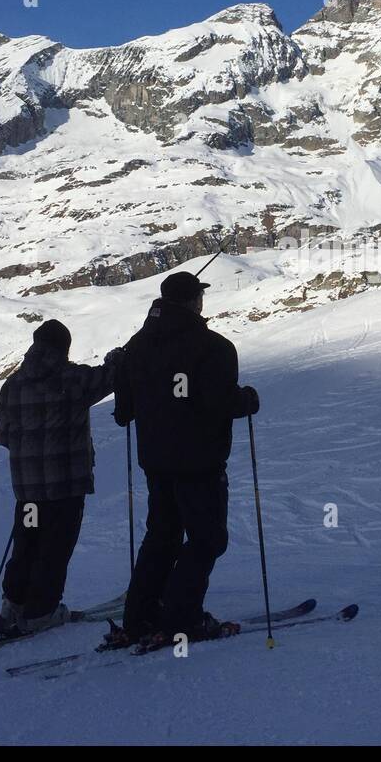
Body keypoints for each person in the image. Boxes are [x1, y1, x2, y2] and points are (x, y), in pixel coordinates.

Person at [113, 271, 260, 647]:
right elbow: (218, 402)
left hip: (155, 460)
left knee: (161, 536)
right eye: (199, 296)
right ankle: (181, 619)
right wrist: (247, 400)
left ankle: (140, 617)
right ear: (194, 301)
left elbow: (124, 410)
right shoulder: (213, 347)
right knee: (207, 538)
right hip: (199, 460)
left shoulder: (137, 346)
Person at [0, 319, 121, 635]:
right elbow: (112, 376)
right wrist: (116, 358)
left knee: (26, 545)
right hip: (65, 488)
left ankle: (14, 605)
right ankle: (41, 613)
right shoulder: (73, 379)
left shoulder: (12, 385)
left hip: (27, 491)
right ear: (64, 348)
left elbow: (2, 435)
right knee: (54, 550)